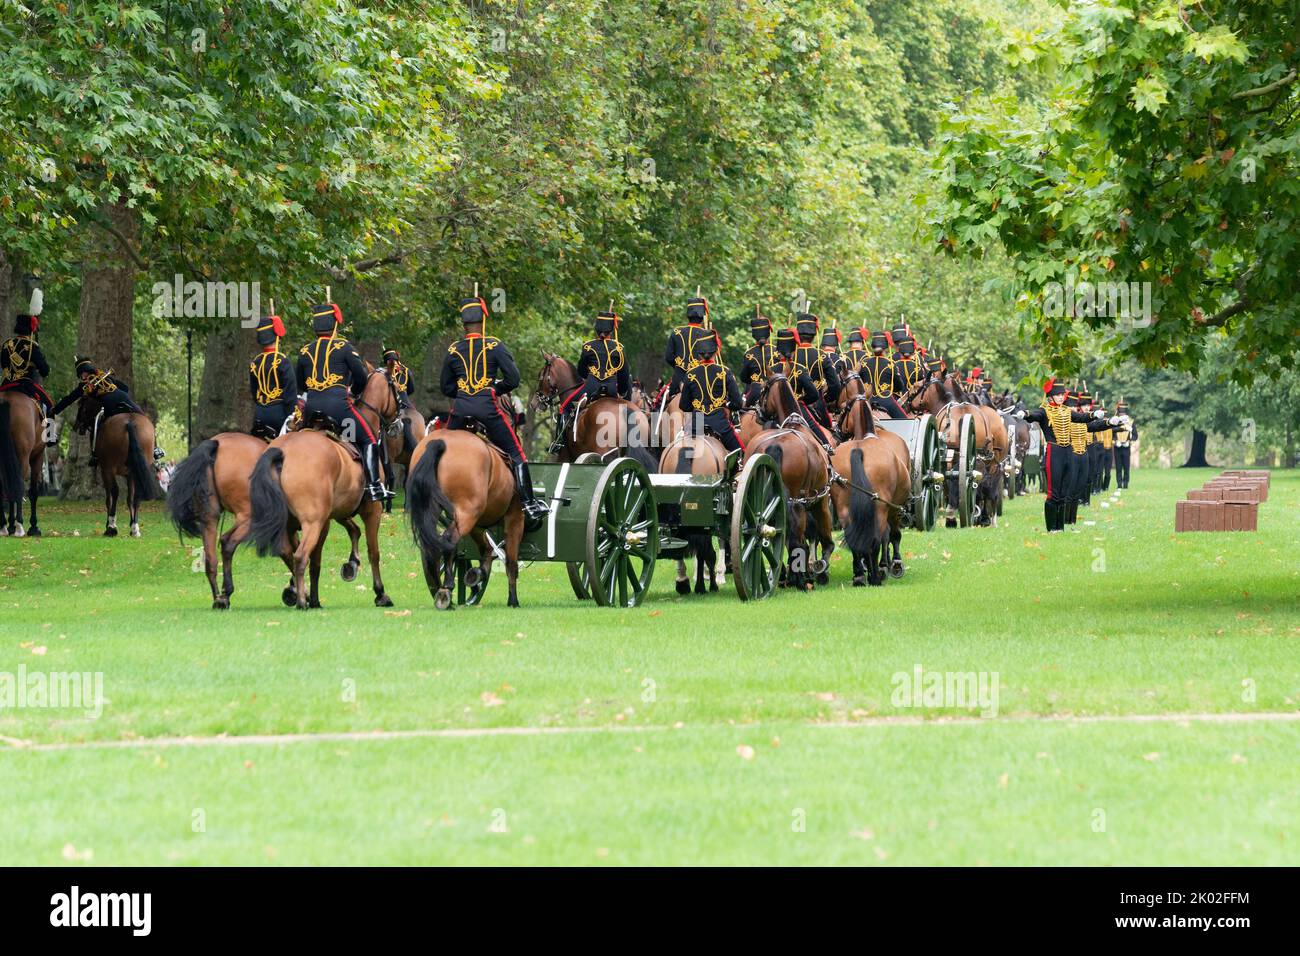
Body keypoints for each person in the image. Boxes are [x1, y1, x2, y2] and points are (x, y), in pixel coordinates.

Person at [440, 295, 548, 525]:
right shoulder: (494, 345)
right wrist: (493, 389)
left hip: (459, 410)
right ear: (482, 321)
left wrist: (463, 392)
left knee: (442, 451)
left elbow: (445, 386)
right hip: (487, 408)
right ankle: (529, 503)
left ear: (464, 324)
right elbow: (514, 379)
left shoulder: (452, 350)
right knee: (517, 453)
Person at [295, 300, 392, 502]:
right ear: (335, 325)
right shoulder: (344, 347)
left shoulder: (304, 351)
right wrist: (354, 393)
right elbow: (361, 377)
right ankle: (374, 486)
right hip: (339, 409)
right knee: (369, 440)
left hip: (312, 410)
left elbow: (300, 384)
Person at [1015, 379, 1118, 532]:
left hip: (1068, 452)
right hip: (1054, 452)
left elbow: (1081, 418)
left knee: (1064, 491)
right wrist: (1025, 414)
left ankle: (1060, 527)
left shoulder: (1067, 411)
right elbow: (1034, 415)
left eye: (1062, 394)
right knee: (1053, 493)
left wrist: (1094, 415)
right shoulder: (1045, 411)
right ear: (1051, 396)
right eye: (1058, 394)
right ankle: (1051, 528)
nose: (1061, 397)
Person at [554, 309, 631, 449]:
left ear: (597, 329)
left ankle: (559, 442)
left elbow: (581, 372)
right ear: (611, 330)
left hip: (590, 389)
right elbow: (624, 374)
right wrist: (624, 392)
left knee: (564, 407)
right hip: (613, 390)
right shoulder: (619, 348)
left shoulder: (588, 346)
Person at [50, 357, 145, 468]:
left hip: (112, 401)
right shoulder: (97, 379)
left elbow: (68, 399)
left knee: (100, 427)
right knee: (140, 417)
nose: (83, 377)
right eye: (81, 375)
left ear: (88, 371)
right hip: (120, 397)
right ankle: (155, 449)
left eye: (83, 373)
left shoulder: (89, 383)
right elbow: (125, 388)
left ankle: (95, 454)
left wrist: (54, 410)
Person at [680, 332, 744, 453]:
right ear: (716, 352)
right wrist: (726, 404)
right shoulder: (725, 371)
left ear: (698, 354)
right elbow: (738, 403)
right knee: (740, 452)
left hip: (696, 424)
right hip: (720, 424)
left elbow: (684, 406)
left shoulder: (690, 374)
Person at [0, 295, 54, 437]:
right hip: (26, 384)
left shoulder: (6, 344)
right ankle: (50, 437)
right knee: (50, 405)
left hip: (5, 384)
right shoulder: (32, 346)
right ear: (31, 329)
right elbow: (45, 370)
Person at [774, 327, 834, 451]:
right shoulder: (799, 369)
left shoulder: (771, 369)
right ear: (793, 349)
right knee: (812, 425)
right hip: (797, 408)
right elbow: (813, 394)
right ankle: (826, 446)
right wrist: (801, 400)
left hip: (775, 410)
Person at [249, 312, 296, 440]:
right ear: (277, 336)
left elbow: (254, 392)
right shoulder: (283, 360)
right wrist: (293, 417)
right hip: (279, 414)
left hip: (259, 414)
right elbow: (290, 395)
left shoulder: (255, 362)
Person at [792, 312, 840, 427]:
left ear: (797, 334)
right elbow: (835, 385)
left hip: (790, 405)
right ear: (814, 335)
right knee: (829, 439)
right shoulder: (822, 356)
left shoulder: (791, 356)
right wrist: (826, 399)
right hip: (816, 405)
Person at [662, 295, 713, 403]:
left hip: (678, 380)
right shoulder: (707, 334)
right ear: (702, 316)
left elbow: (668, 357)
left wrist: (679, 366)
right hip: (701, 382)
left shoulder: (677, 332)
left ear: (688, 314)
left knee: (662, 406)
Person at [860, 330, 907, 419]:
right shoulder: (890, 364)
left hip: (867, 401)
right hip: (886, 401)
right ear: (885, 348)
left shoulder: (863, 363)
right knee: (906, 421)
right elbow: (900, 386)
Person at [739, 311, 780, 406]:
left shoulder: (749, 353)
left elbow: (744, 377)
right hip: (774, 390)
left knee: (738, 413)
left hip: (755, 393)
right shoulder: (777, 351)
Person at [1113, 400, 1137, 488]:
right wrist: (1115, 440)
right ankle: (1119, 484)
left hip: (1126, 447)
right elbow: (1111, 433)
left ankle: (1126, 484)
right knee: (1118, 467)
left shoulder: (1131, 422)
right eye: (1121, 413)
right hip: (1117, 447)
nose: (1122, 415)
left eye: (1123, 413)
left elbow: (1135, 435)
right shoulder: (1115, 421)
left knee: (1126, 467)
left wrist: (1129, 441)